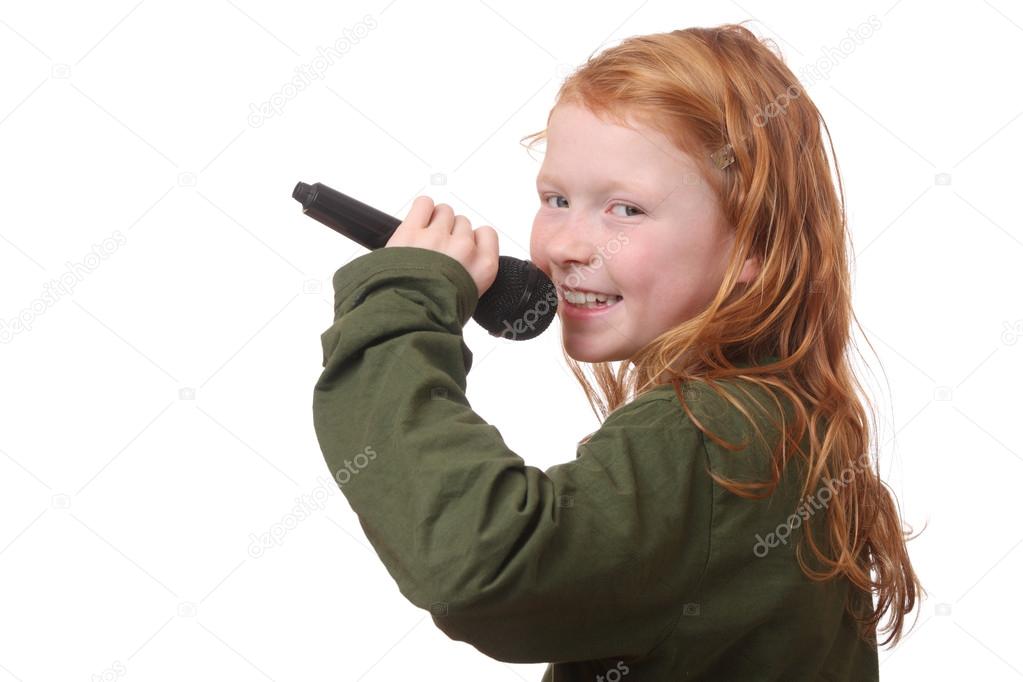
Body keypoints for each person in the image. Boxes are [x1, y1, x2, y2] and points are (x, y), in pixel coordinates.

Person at [312, 22, 924, 681]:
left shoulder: (714, 434)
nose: (569, 245)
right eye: (557, 200)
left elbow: (487, 570)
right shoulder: (774, 420)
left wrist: (401, 303)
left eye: (624, 210)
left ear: (754, 244)